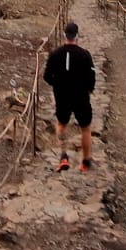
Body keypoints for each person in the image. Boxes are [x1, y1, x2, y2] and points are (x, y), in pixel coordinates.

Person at [43, 21, 96, 172]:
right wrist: (88, 90)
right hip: (80, 96)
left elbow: (46, 76)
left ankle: (63, 155)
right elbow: (91, 77)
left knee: (61, 124)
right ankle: (85, 162)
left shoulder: (55, 54)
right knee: (85, 128)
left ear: (64, 35)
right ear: (77, 36)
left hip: (62, 96)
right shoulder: (85, 55)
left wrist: (57, 85)